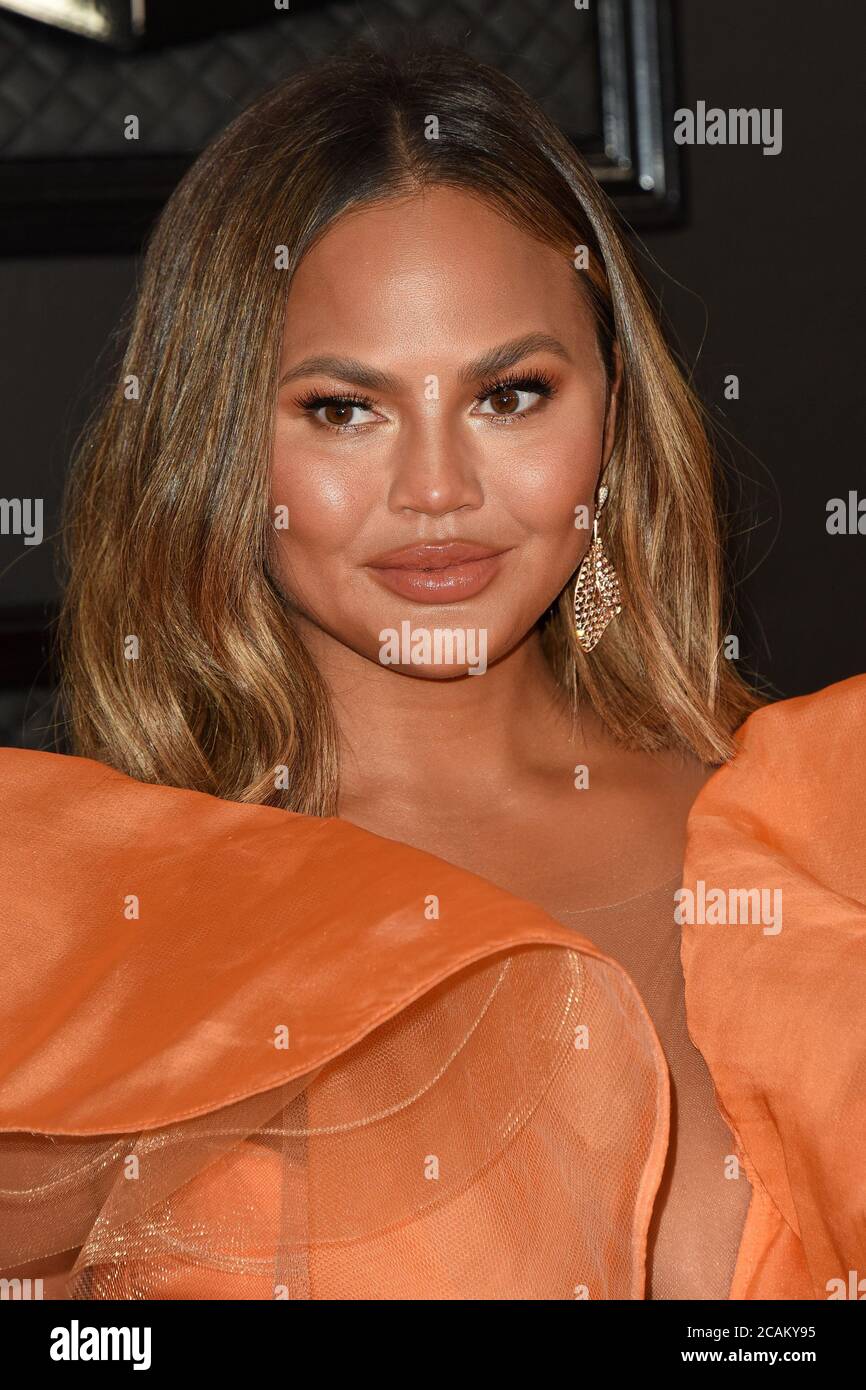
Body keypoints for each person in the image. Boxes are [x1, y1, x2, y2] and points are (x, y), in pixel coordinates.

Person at [0, 40, 862, 1302]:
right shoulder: (89, 926)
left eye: (508, 394)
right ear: (216, 441)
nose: (438, 492)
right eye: (344, 409)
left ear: (612, 414)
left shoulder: (827, 824)